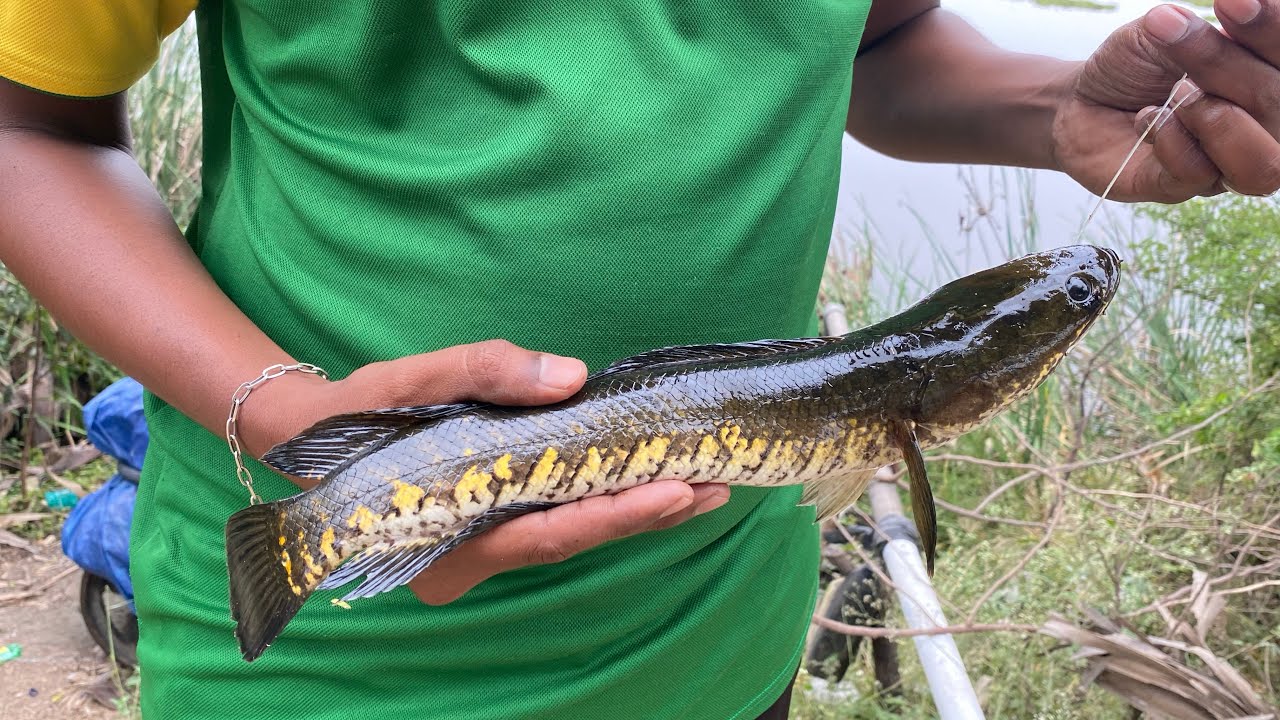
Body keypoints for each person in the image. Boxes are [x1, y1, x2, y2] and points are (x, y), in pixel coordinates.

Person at [0, 1, 1277, 717]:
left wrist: (1055, 113)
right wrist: (282, 409)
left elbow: (870, 40)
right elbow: (27, 123)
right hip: (335, 669)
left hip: (719, 641)